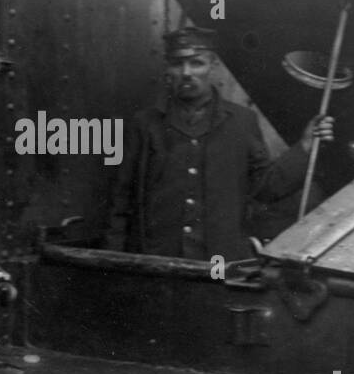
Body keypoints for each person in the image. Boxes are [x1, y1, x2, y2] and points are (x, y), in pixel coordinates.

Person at [107, 28, 332, 261]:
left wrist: (305, 146)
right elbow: (122, 200)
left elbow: (266, 187)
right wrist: (113, 262)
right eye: (177, 64)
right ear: (167, 68)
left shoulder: (242, 122)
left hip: (221, 264)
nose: (186, 73)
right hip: (158, 261)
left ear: (213, 66)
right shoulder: (145, 125)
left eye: (197, 63)